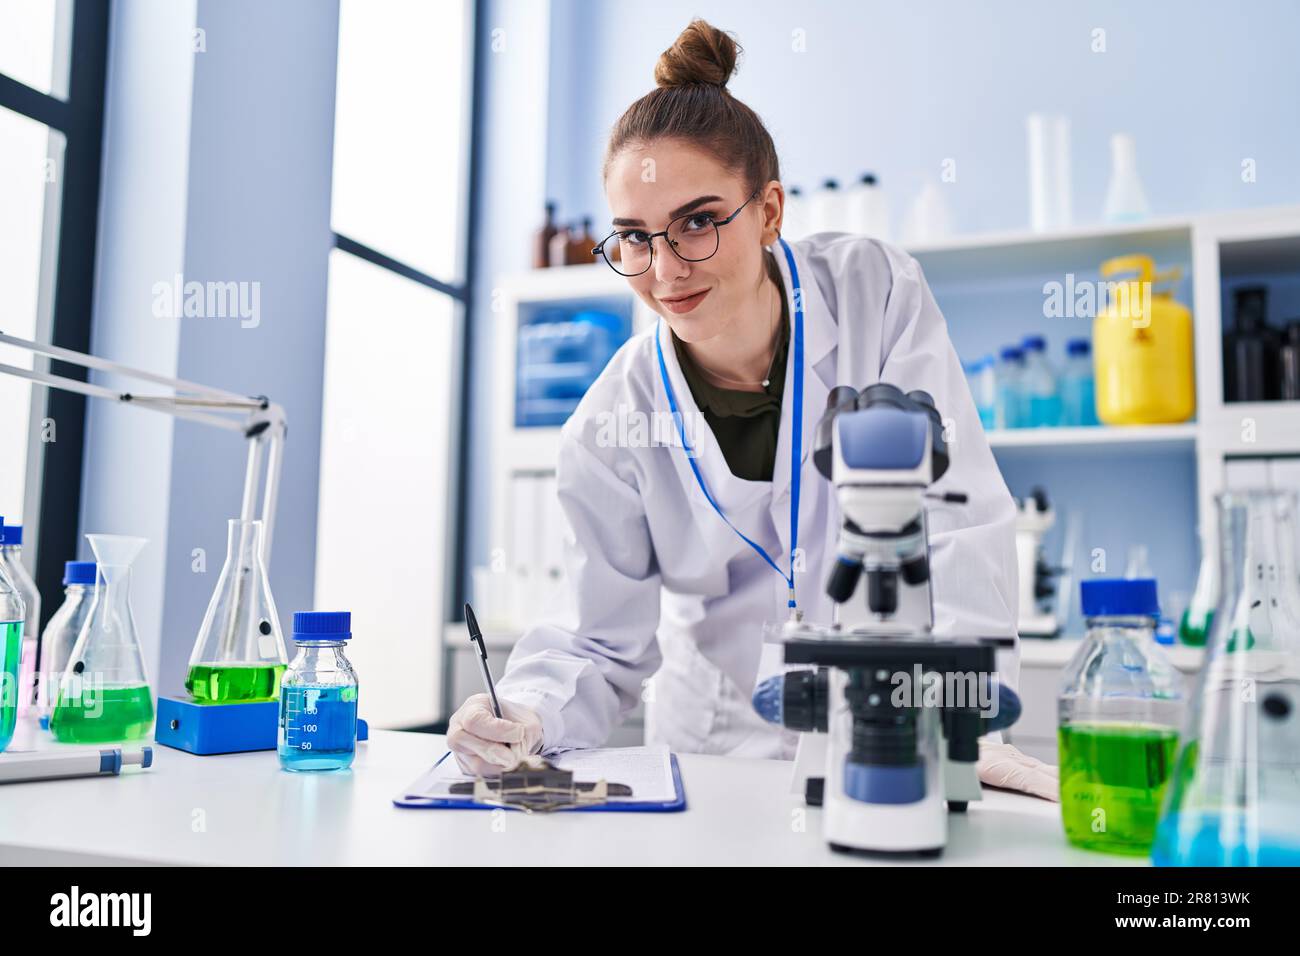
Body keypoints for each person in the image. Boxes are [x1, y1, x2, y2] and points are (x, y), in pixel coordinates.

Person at [449, 19, 1057, 801]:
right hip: (719, 760)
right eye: (634, 238)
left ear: (769, 209)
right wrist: (523, 715)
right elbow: (598, 639)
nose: (664, 270)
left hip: (897, 727)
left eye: (698, 222)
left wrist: (953, 718)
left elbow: (956, 519)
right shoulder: (612, 420)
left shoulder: (873, 295)